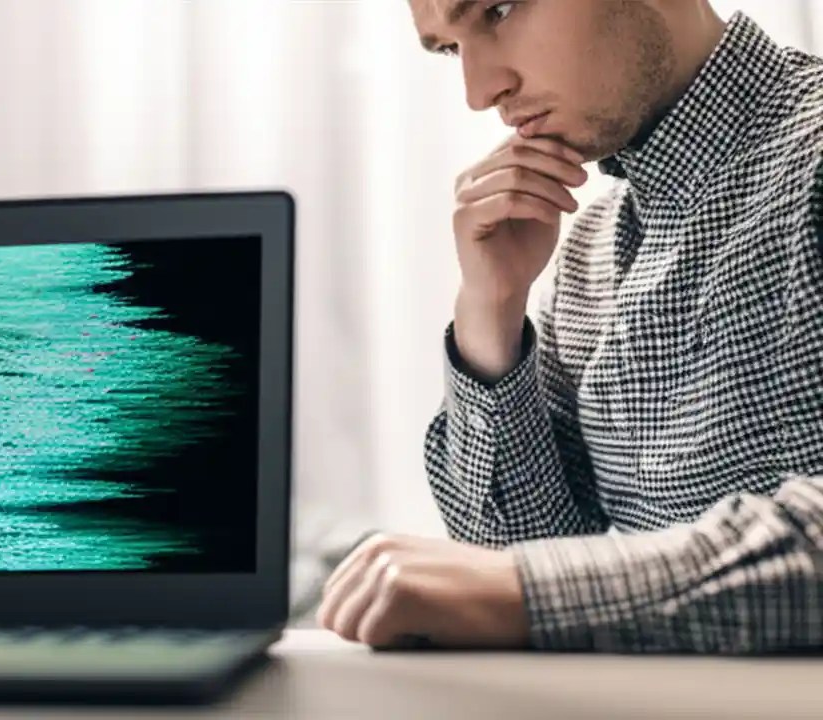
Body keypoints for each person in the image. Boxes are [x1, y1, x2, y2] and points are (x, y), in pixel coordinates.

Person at [317, 0, 823, 653]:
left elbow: (518, 587)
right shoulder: (586, 255)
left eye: (497, 10)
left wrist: (527, 592)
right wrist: (490, 310)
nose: (480, 92)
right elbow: (514, 568)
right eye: (449, 49)